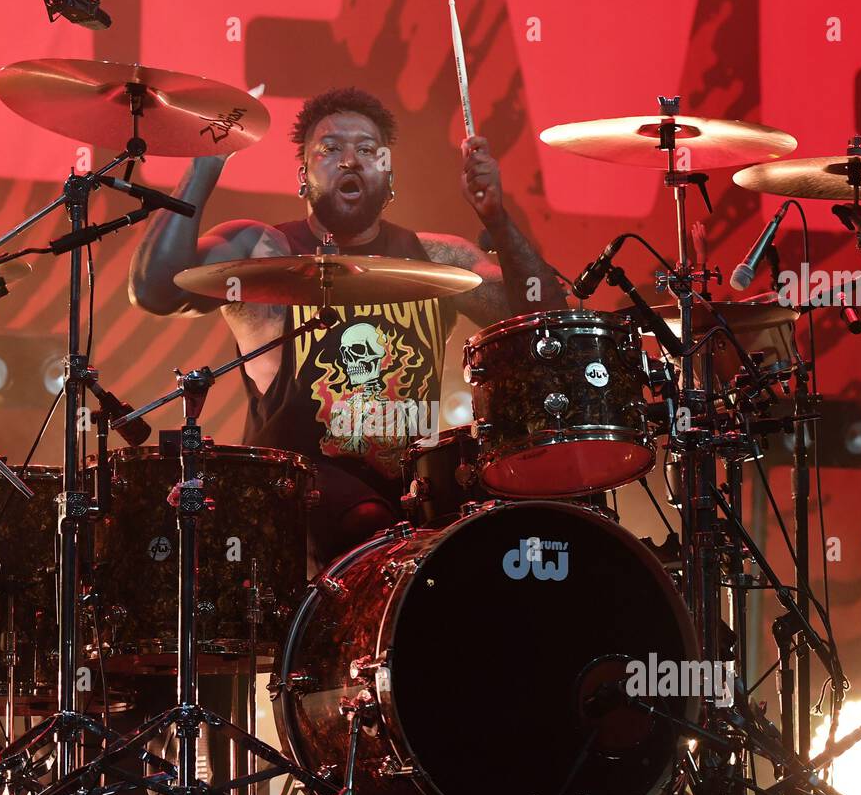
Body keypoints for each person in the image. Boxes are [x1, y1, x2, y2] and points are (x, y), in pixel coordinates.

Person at [130, 87, 568, 567]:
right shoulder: (264, 252)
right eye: (330, 149)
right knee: (364, 518)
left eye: (366, 149)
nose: (349, 160)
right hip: (292, 510)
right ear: (303, 175)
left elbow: (544, 324)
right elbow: (156, 291)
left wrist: (497, 218)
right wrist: (204, 167)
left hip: (412, 504)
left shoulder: (438, 260)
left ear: (388, 173)